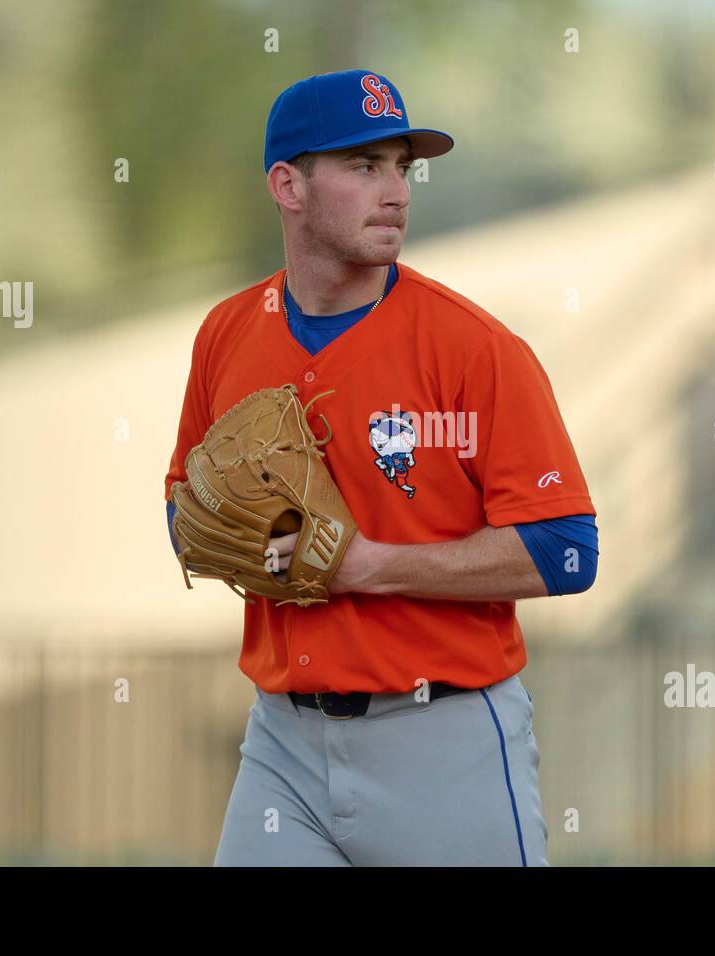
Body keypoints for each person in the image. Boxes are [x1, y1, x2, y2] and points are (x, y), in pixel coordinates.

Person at [163, 69, 598, 866]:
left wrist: (367, 567)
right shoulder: (226, 335)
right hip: (282, 747)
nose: (395, 190)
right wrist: (225, 540)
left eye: (402, 166)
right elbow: (183, 506)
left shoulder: (476, 349)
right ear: (287, 185)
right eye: (364, 167)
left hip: (445, 741)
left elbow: (568, 550)